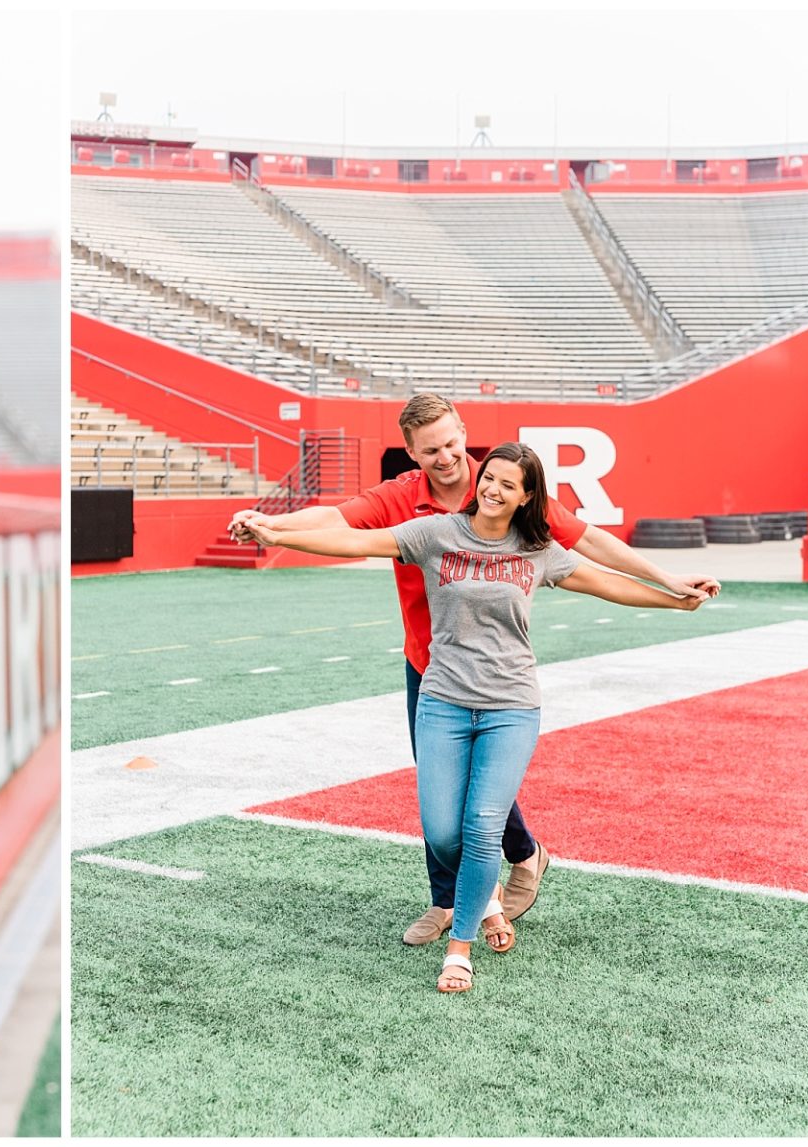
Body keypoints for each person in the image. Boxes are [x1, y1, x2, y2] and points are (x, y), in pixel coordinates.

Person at [229, 394, 719, 946]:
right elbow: (337, 525)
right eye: (431, 450)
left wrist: (669, 581)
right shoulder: (406, 506)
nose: (445, 457)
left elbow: (590, 549)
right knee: (439, 792)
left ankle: (512, 864)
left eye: (451, 443)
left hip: (498, 676)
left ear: (464, 432)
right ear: (412, 453)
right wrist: (273, 524)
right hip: (430, 664)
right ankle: (447, 901)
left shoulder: (502, 485)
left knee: (481, 789)